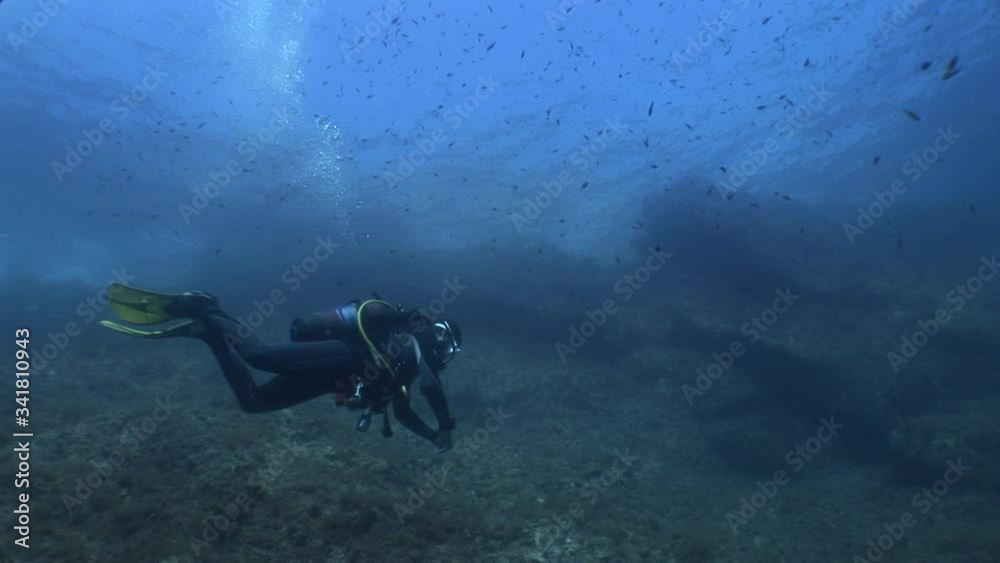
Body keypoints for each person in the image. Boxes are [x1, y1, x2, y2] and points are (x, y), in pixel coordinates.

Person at [99, 283, 461, 453]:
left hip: (330, 380)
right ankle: (205, 308)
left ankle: (207, 333)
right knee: (258, 355)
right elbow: (431, 388)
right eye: (451, 348)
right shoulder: (419, 340)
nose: (447, 356)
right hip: (342, 356)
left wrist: (432, 436)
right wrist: (445, 424)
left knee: (253, 402)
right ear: (441, 336)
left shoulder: (408, 368)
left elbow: (402, 411)